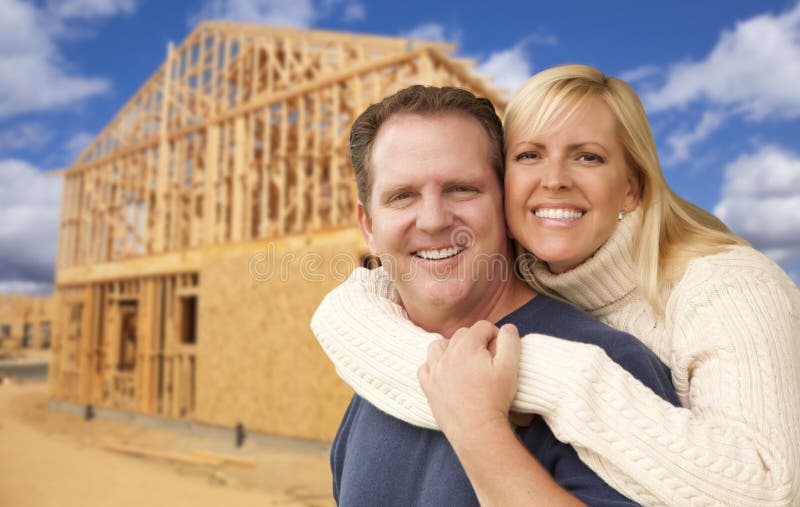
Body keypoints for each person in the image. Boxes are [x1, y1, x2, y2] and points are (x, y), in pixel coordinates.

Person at [312, 65, 800, 506]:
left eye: (463, 188)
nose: (435, 218)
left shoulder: (704, 305)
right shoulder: (382, 369)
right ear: (368, 226)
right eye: (402, 196)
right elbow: (354, 308)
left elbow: (769, 489)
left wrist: (510, 401)